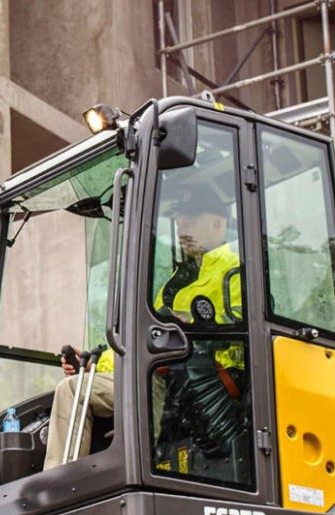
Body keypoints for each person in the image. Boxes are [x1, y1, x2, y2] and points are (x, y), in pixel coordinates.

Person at [42, 196, 241, 463]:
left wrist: (192, 327)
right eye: (179, 221)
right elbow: (142, 339)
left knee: (77, 391)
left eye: (190, 221)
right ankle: (67, 484)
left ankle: (117, 471)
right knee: (75, 388)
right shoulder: (175, 285)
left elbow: (240, 330)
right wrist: (95, 363)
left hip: (205, 378)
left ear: (218, 223)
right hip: (159, 374)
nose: (182, 229)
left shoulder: (236, 269)